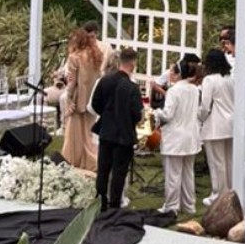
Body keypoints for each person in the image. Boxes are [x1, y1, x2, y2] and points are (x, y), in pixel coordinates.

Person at [90, 47, 143, 211]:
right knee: (119, 173)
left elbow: (95, 104)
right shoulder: (132, 87)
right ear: (133, 63)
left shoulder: (105, 81)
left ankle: (100, 203)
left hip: (106, 131)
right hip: (124, 134)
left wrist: (106, 115)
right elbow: (136, 114)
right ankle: (114, 205)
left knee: (103, 170)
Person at [154, 60, 202, 214]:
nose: (169, 73)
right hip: (191, 136)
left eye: (171, 70)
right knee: (188, 173)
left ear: (177, 74)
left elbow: (168, 115)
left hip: (175, 137)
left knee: (173, 174)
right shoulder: (194, 90)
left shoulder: (174, 91)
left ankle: (172, 206)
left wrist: (155, 112)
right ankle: (189, 205)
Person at [57, 28, 102, 172]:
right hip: (92, 98)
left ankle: (74, 159)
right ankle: (89, 160)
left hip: (78, 98)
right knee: (87, 134)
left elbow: (71, 82)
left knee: (74, 134)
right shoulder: (95, 55)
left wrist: (68, 98)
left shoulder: (74, 57)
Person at [199, 48, 235, 206]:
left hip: (215, 125)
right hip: (232, 124)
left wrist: (199, 118)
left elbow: (205, 106)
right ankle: (231, 192)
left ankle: (218, 194)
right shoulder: (230, 78)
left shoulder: (209, 80)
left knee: (216, 162)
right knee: (229, 160)